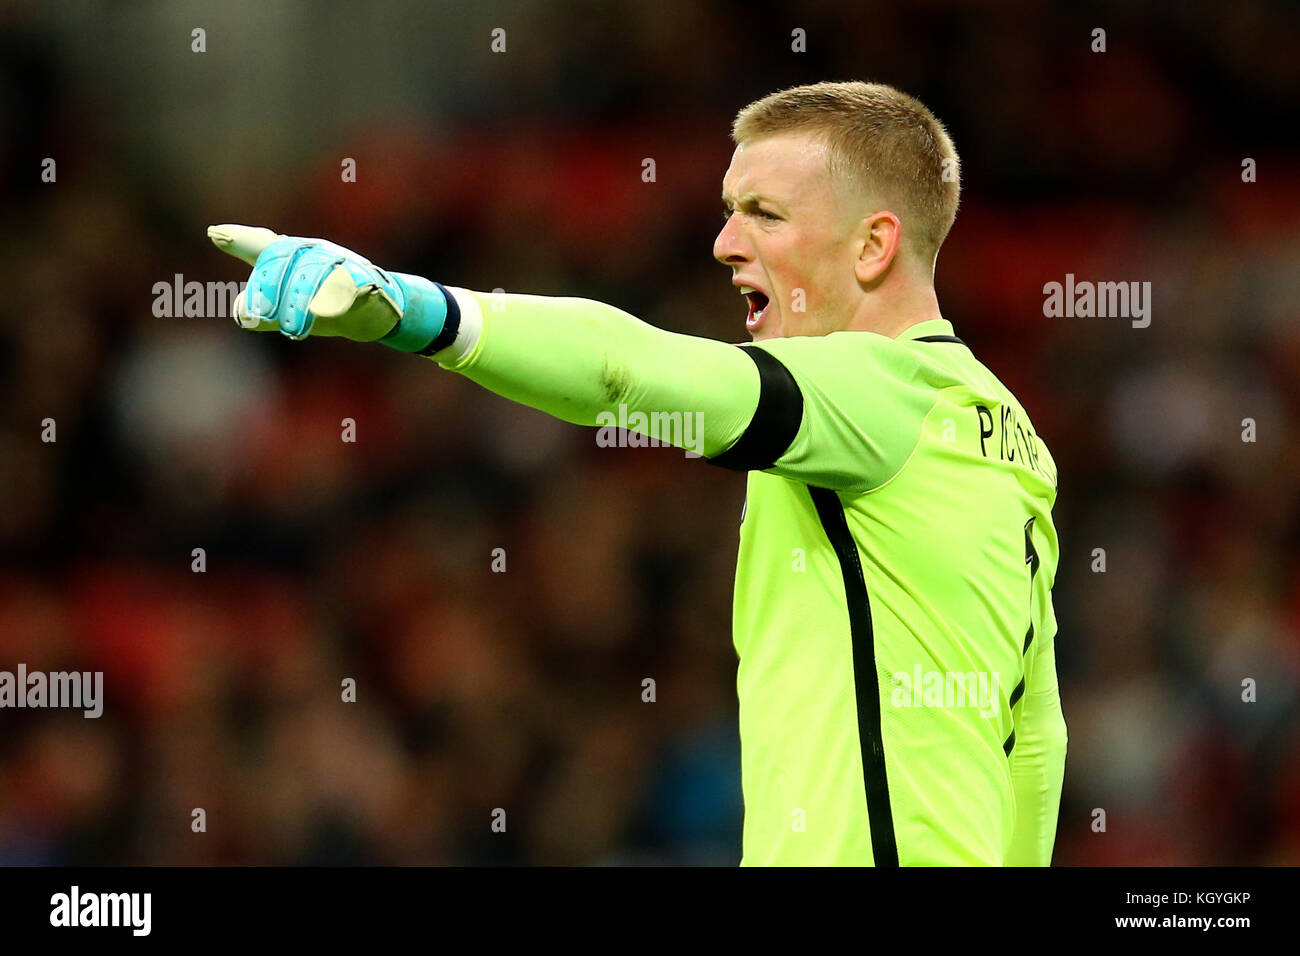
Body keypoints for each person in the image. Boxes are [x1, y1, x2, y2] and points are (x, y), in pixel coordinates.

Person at [209, 80, 1066, 866]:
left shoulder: (879, 392)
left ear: (874, 244)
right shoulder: (1008, 434)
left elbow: (627, 369)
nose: (726, 243)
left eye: (764, 214)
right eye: (730, 211)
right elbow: (1034, 737)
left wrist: (420, 312)